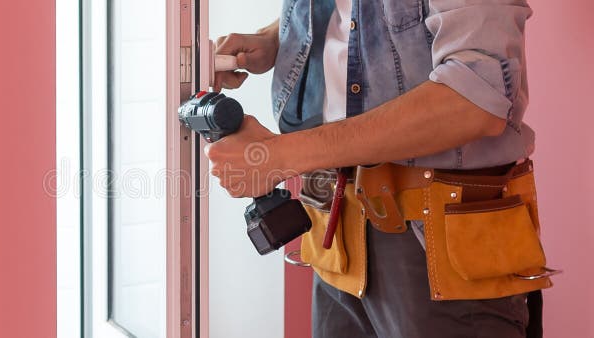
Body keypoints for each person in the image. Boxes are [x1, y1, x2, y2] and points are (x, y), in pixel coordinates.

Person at [204, 0, 555, 337]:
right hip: (336, 232)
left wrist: (278, 157)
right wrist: (280, 37)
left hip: (435, 243)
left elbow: (476, 98)